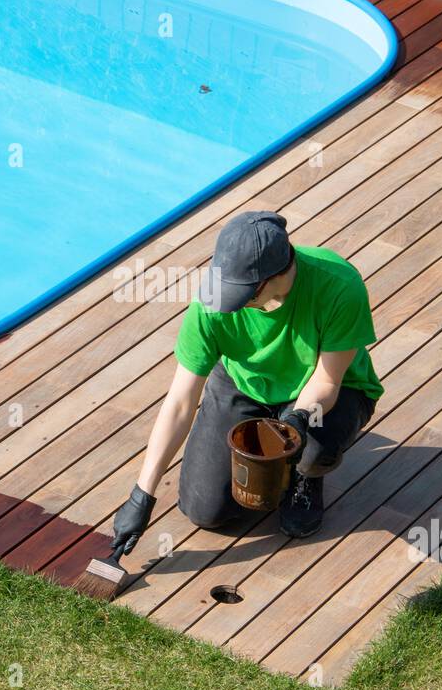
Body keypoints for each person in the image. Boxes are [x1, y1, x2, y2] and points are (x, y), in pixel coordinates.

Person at [108, 211, 382, 558]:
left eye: (241, 294)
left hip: (325, 391)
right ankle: (275, 454)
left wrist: (296, 420)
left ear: (276, 275)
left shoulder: (338, 285)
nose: (229, 304)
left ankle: (304, 477)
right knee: (205, 510)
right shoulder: (211, 302)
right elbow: (179, 402)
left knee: (312, 449)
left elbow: (328, 380)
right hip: (244, 382)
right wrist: (142, 495)